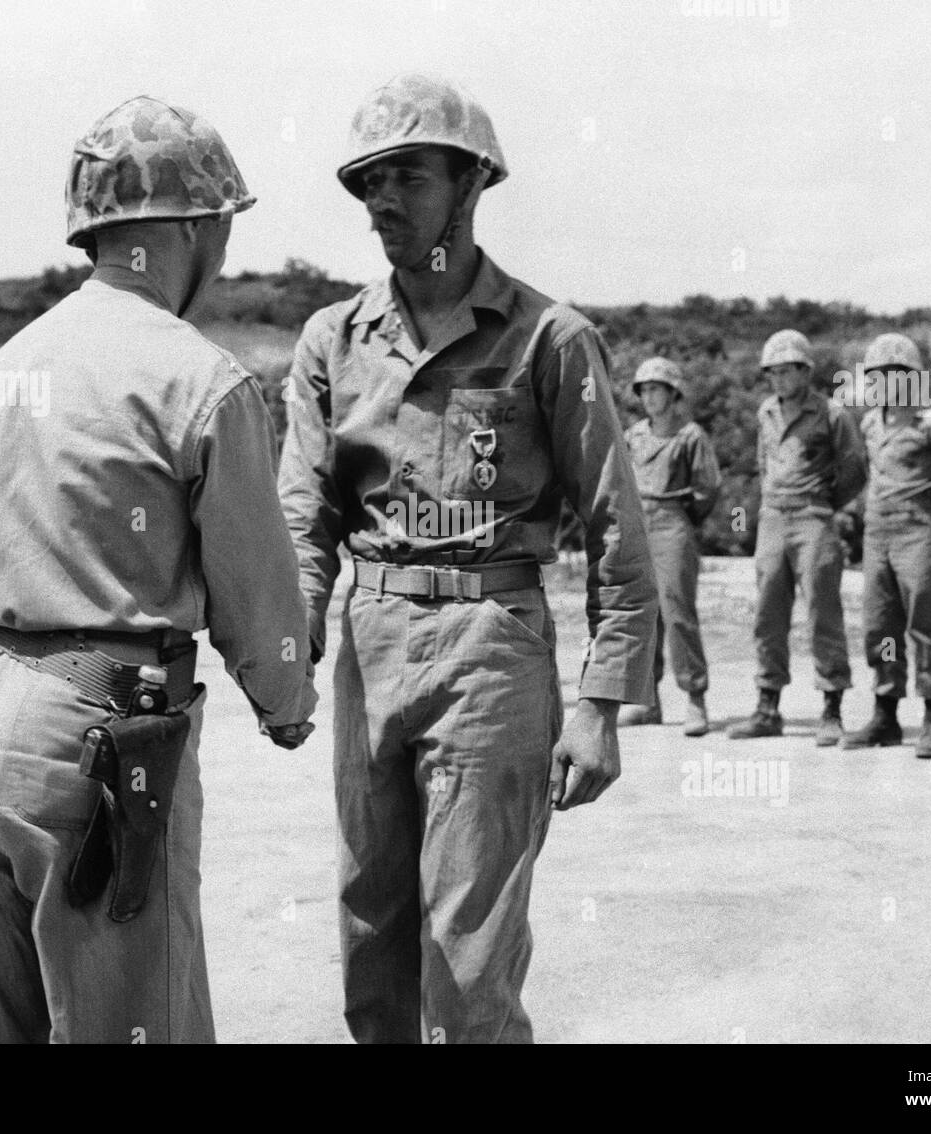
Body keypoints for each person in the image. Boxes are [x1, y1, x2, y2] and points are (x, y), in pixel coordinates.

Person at [0, 96, 317, 1043]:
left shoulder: (10, 365)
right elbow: (258, 602)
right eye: (222, 224)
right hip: (101, 745)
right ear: (195, 225)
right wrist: (288, 703)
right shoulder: (201, 380)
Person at [279, 73, 658, 1043]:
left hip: (492, 648)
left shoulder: (550, 339)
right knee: (372, 930)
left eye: (406, 175)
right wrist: (289, 642)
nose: (382, 203)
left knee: (466, 955)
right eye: (367, 181)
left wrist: (603, 707)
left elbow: (616, 524)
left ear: (470, 184)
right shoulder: (332, 339)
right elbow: (305, 514)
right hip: (374, 637)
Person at [842, 333, 931, 757]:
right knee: (880, 626)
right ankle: (885, 714)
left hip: (918, 531)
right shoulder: (869, 423)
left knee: (925, 625)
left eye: (896, 374)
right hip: (877, 533)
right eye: (878, 375)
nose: (887, 382)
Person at [729, 329, 867, 745]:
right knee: (768, 614)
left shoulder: (831, 413)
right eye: (773, 372)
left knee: (823, 614)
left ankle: (831, 708)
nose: (779, 379)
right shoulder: (765, 412)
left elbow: (855, 468)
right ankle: (767, 707)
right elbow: (762, 463)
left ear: (806, 371)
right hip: (773, 516)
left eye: (788, 371)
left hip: (813, 516)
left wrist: (824, 502)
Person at [618, 357, 722, 735]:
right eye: (644, 390)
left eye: (656, 389)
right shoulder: (634, 435)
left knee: (677, 611)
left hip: (673, 521)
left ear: (673, 393)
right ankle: (647, 701)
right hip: (638, 523)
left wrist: (682, 518)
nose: (649, 397)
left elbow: (707, 488)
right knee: (641, 614)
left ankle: (695, 698)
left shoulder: (691, 435)